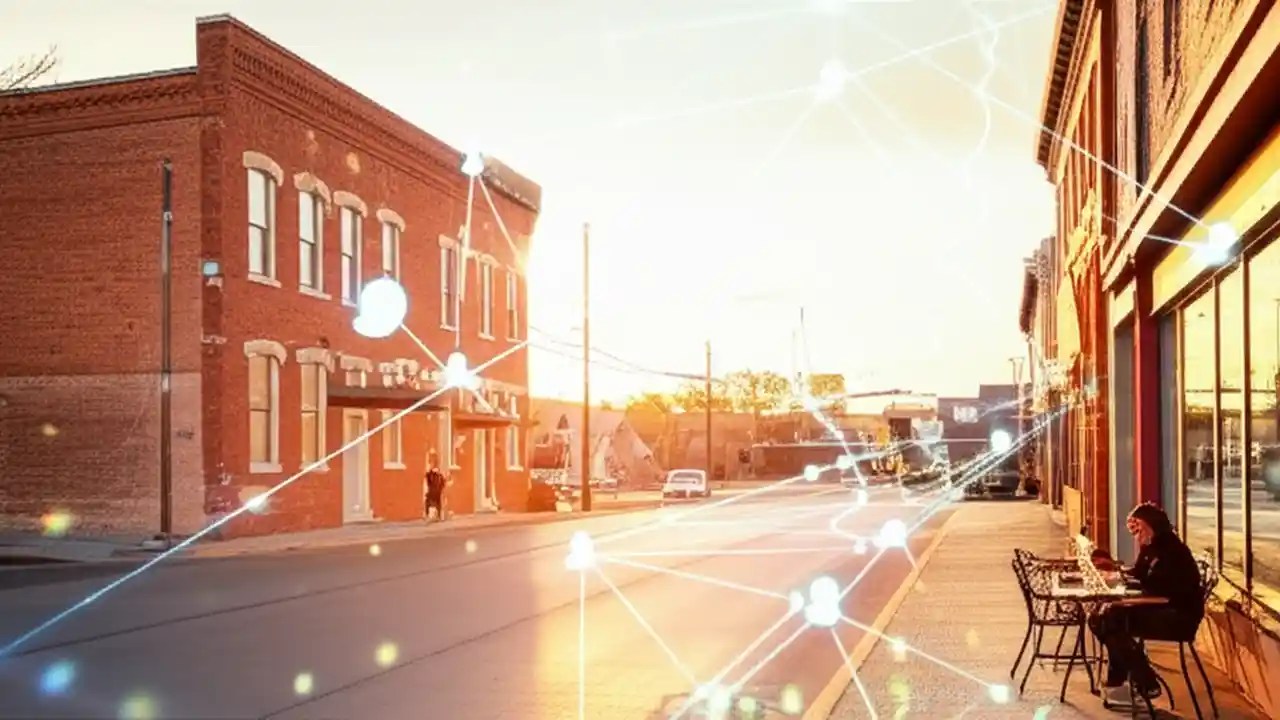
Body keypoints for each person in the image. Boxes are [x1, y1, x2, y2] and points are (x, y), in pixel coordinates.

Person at [1088, 502, 1204, 704]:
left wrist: (1125, 602)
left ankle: (1145, 682)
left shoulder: (1172, 550)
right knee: (1098, 617)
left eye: (1138, 529)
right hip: (1162, 606)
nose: (1136, 535)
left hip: (1178, 617)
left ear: (1151, 525)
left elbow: (1162, 593)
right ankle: (1122, 677)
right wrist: (1114, 568)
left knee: (1111, 618)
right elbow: (1140, 574)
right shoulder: (1150, 546)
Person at [425, 451, 446, 522]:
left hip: (434, 489)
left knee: (430, 502)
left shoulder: (433, 473)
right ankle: (437, 516)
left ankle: (431, 515)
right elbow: (442, 481)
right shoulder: (437, 473)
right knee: (436, 502)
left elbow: (428, 478)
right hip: (436, 489)